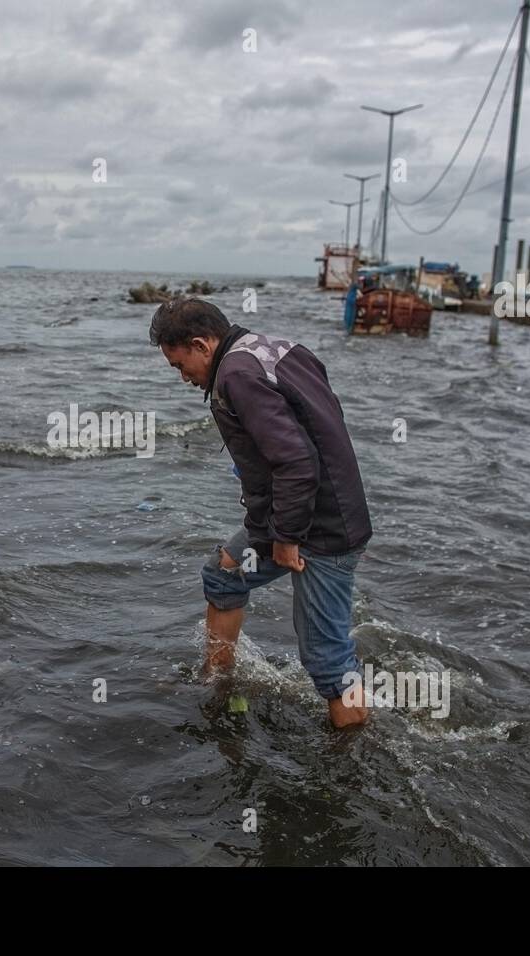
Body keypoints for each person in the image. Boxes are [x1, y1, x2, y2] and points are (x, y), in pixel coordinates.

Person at [150, 298, 374, 728]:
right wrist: (267, 529)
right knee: (222, 573)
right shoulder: (277, 348)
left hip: (322, 530)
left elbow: (296, 463)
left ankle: (352, 755)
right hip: (297, 512)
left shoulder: (236, 375)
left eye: (180, 365)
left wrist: (287, 537)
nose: (183, 378)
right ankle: (217, 680)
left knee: (327, 662)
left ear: (201, 344)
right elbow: (323, 415)